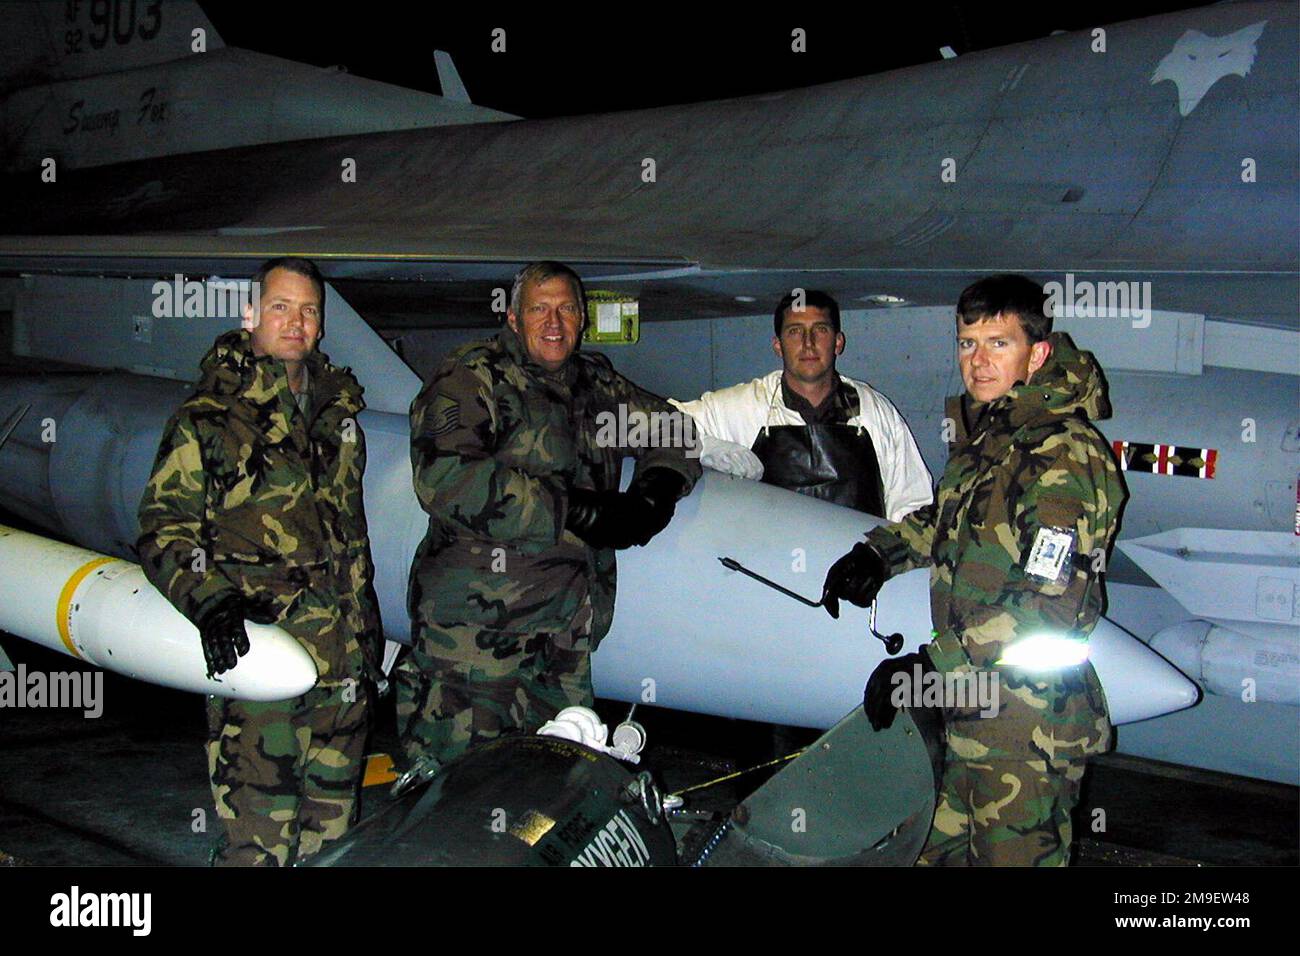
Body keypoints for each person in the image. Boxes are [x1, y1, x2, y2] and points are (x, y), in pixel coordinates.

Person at [821, 274, 1125, 866]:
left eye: (997, 343)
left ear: (1037, 353)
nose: (978, 362)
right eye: (967, 343)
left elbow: (1047, 603)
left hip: (1026, 732)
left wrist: (930, 665)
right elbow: (949, 522)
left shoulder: (1063, 456)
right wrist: (878, 554)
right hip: (965, 715)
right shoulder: (995, 439)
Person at [397, 261, 701, 771]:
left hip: (565, 637)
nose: (554, 323)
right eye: (539, 309)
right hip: (476, 640)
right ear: (514, 319)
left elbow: (674, 429)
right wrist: (571, 509)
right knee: (459, 787)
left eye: (566, 309)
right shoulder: (473, 377)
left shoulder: (594, 385)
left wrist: (655, 494)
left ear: (582, 318)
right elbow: (446, 476)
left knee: (554, 786)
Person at [137, 257, 382, 866]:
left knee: (334, 848)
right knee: (257, 847)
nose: (295, 322)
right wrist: (211, 601)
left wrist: (368, 645)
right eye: (280, 306)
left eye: (308, 311)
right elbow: (165, 531)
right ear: (251, 316)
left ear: (321, 325)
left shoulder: (338, 418)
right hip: (262, 672)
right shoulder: (208, 420)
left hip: (343, 676)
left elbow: (349, 540)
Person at [670, 289, 931, 520]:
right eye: (795, 332)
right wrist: (708, 448)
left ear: (838, 342)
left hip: (858, 569)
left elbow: (913, 506)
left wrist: (884, 561)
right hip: (766, 570)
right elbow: (650, 425)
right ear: (778, 346)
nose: (808, 343)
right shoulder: (745, 406)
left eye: (820, 329)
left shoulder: (876, 412)